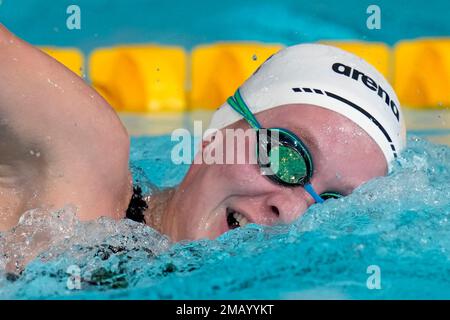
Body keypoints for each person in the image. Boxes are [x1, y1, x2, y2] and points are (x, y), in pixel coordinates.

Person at [0, 24, 406, 244]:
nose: (294, 211)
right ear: (217, 132)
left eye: (331, 205)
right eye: (286, 156)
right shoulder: (80, 163)